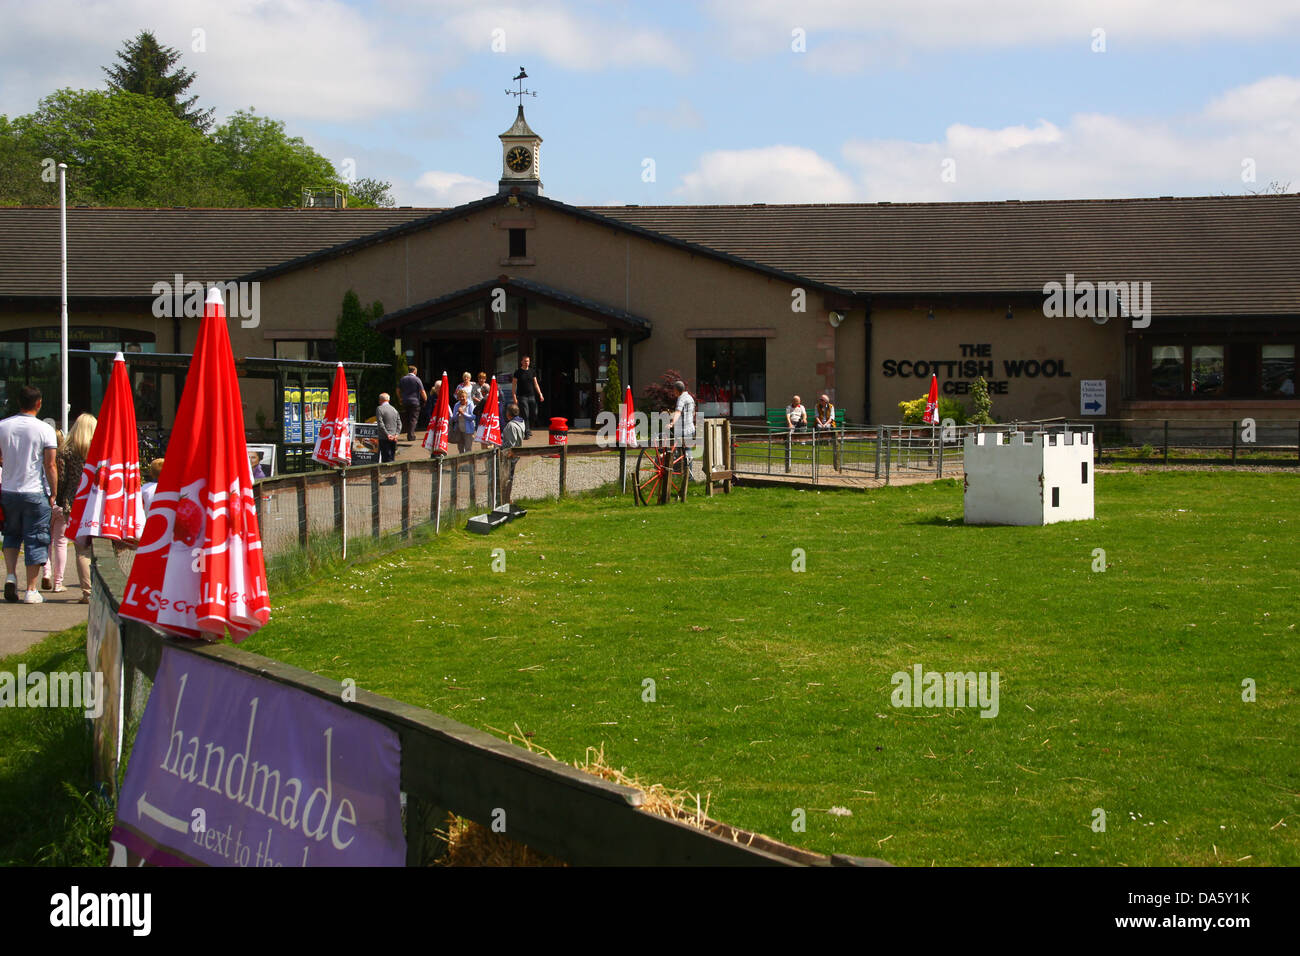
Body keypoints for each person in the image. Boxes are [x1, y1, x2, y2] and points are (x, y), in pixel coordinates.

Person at [0, 386, 59, 604]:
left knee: (11, 534)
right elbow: (50, 464)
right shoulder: (45, 429)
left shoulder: (3, 426)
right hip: (34, 490)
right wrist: (54, 492)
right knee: (35, 537)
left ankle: (10, 576)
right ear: (39, 403)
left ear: (18, 402)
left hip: (8, 490)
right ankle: (31, 589)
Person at [55, 413, 97, 604]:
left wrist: (60, 498)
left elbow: (61, 479)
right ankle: (101, 591)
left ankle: (87, 592)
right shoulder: (100, 449)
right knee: (100, 547)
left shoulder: (66, 451)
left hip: (74, 502)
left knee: (81, 549)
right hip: (97, 502)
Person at [665, 379, 696, 467]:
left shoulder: (681, 398)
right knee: (687, 452)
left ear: (676, 390)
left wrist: (672, 423)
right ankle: (688, 475)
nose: (673, 392)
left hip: (684, 430)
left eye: (673, 390)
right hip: (691, 429)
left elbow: (678, 412)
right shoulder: (690, 397)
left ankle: (687, 475)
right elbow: (693, 413)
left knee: (683, 452)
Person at [512, 356, 544, 439]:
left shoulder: (532, 371)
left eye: (528, 361)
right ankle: (527, 431)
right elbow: (514, 385)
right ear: (521, 362)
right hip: (522, 396)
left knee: (534, 413)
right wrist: (514, 396)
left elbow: (536, 384)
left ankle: (527, 428)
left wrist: (540, 394)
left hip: (531, 395)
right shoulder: (518, 372)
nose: (527, 363)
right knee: (525, 414)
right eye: (525, 361)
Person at [500, 402, 526, 500]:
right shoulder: (521, 422)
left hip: (510, 455)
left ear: (508, 413)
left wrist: (499, 447)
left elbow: (510, 443)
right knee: (509, 477)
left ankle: (505, 499)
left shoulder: (511, 425)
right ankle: (507, 498)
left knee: (506, 477)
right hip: (516, 453)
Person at [398, 364, 426, 441]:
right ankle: (411, 435)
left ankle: (408, 432)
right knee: (413, 418)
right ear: (414, 371)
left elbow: (398, 390)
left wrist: (400, 398)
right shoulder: (417, 379)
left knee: (407, 417)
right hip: (415, 402)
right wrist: (426, 399)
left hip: (405, 401)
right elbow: (422, 391)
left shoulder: (403, 379)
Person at [814, 393, 841, 471]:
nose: (820, 401)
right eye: (820, 400)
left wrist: (825, 424)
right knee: (819, 427)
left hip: (828, 422)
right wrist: (821, 423)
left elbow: (832, 418)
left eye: (821, 400)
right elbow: (816, 416)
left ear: (826, 401)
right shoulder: (817, 406)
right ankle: (820, 441)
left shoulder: (831, 407)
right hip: (820, 422)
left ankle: (827, 442)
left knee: (828, 427)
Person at [376, 392, 401, 463]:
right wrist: (396, 434)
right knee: (392, 457)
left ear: (380, 400)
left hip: (384, 437)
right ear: (388, 400)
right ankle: (393, 473)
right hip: (394, 437)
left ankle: (387, 474)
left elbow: (380, 424)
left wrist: (387, 434)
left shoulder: (379, 409)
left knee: (385, 458)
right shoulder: (394, 409)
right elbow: (399, 423)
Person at [453, 390, 476, 454]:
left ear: (466, 396)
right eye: (460, 397)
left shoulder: (470, 404)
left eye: (463, 396)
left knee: (468, 449)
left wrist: (463, 413)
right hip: (459, 430)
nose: (462, 398)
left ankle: (468, 463)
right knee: (460, 449)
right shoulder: (456, 405)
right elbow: (454, 419)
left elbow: (473, 417)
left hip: (468, 430)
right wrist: (458, 414)